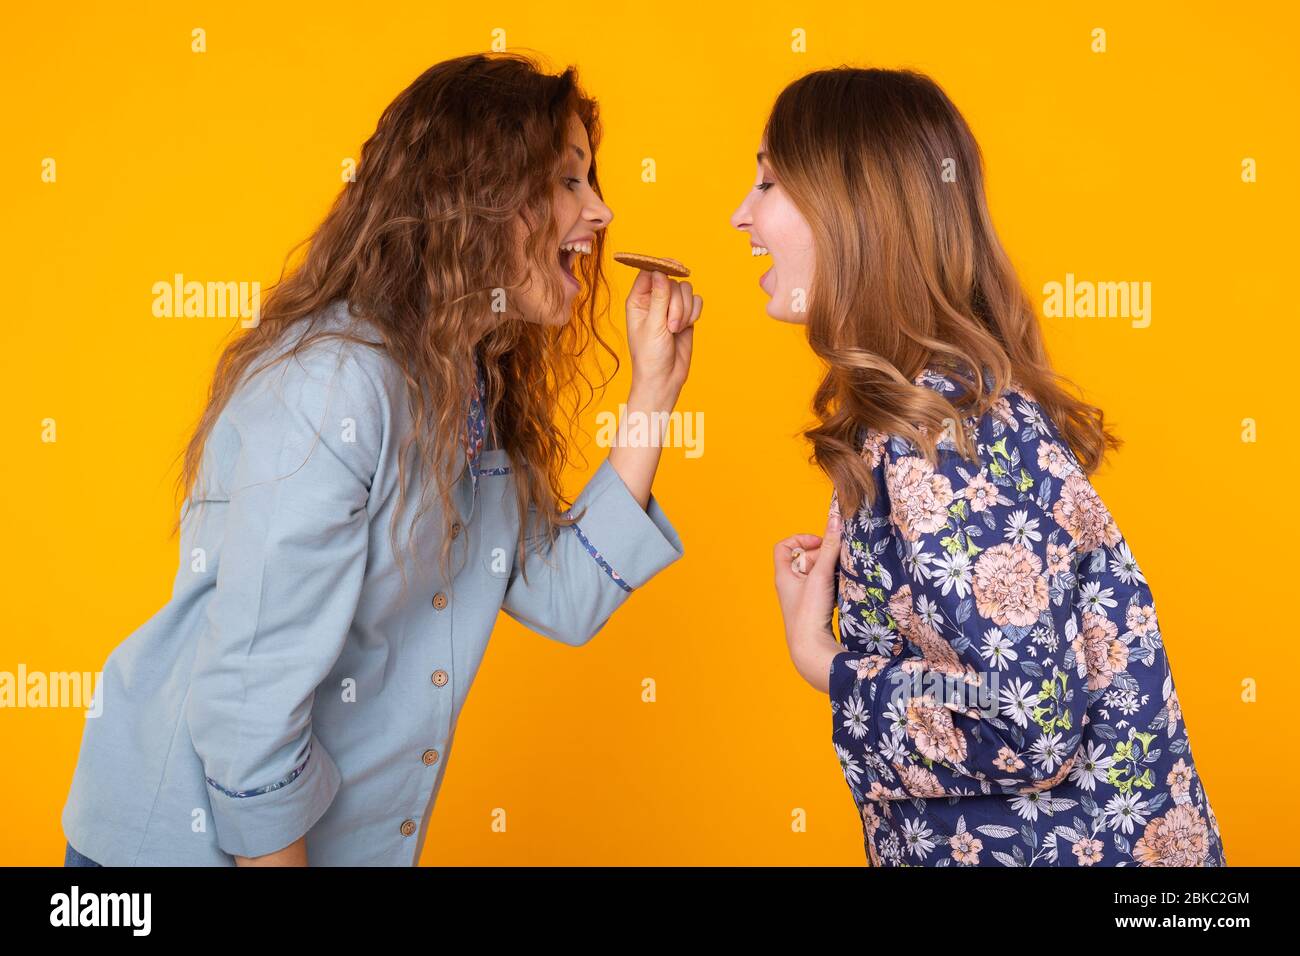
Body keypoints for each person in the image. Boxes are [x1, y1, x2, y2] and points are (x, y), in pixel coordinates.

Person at [62, 51, 700, 867]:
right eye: (568, 181)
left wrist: (654, 393)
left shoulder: (469, 382)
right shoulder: (335, 384)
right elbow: (253, 708)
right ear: (475, 197)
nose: (601, 211)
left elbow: (565, 595)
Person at [732, 66, 1226, 867]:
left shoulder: (937, 435)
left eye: (769, 182)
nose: (740, 215)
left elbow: (1023, 722)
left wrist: (820, 659)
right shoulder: (946, 411)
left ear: (856, 211)